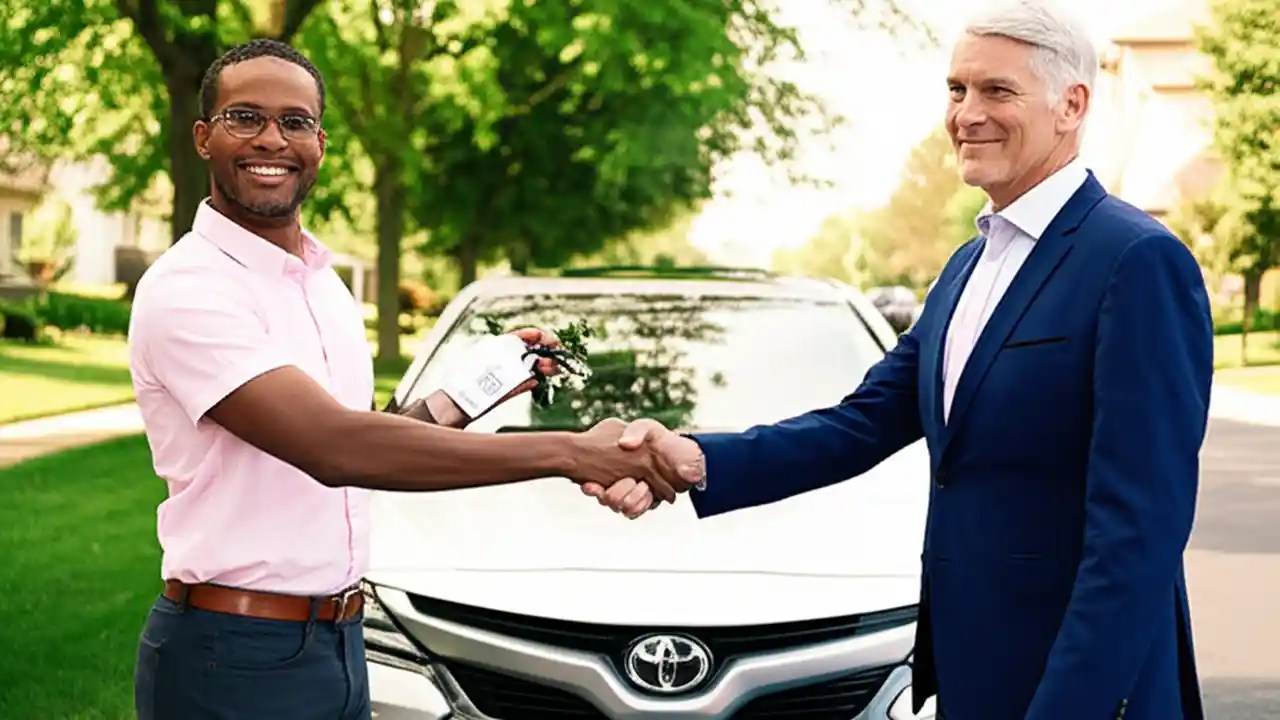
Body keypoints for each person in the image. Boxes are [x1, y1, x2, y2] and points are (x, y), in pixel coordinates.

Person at [587, 1, 1214, 718]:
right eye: (956, 90)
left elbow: (1138, 537)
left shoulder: (1136, 261)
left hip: (1082, 691)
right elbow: (861, 424)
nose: (966, 114)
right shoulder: (967, 265)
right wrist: (694, 460)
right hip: (977, 679)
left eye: (996, 91)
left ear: (1072, 105)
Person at [127, 39, 678, 720]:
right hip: (232, 654)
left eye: (295, 122)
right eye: (246, 118)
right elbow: (334, 449)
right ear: (205, 138)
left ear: (320, 144)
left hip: (342, 641)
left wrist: (467, 395)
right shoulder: (189, 289)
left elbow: (365, 446)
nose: (272, 138)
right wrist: (570, 452)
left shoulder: (323, 286)